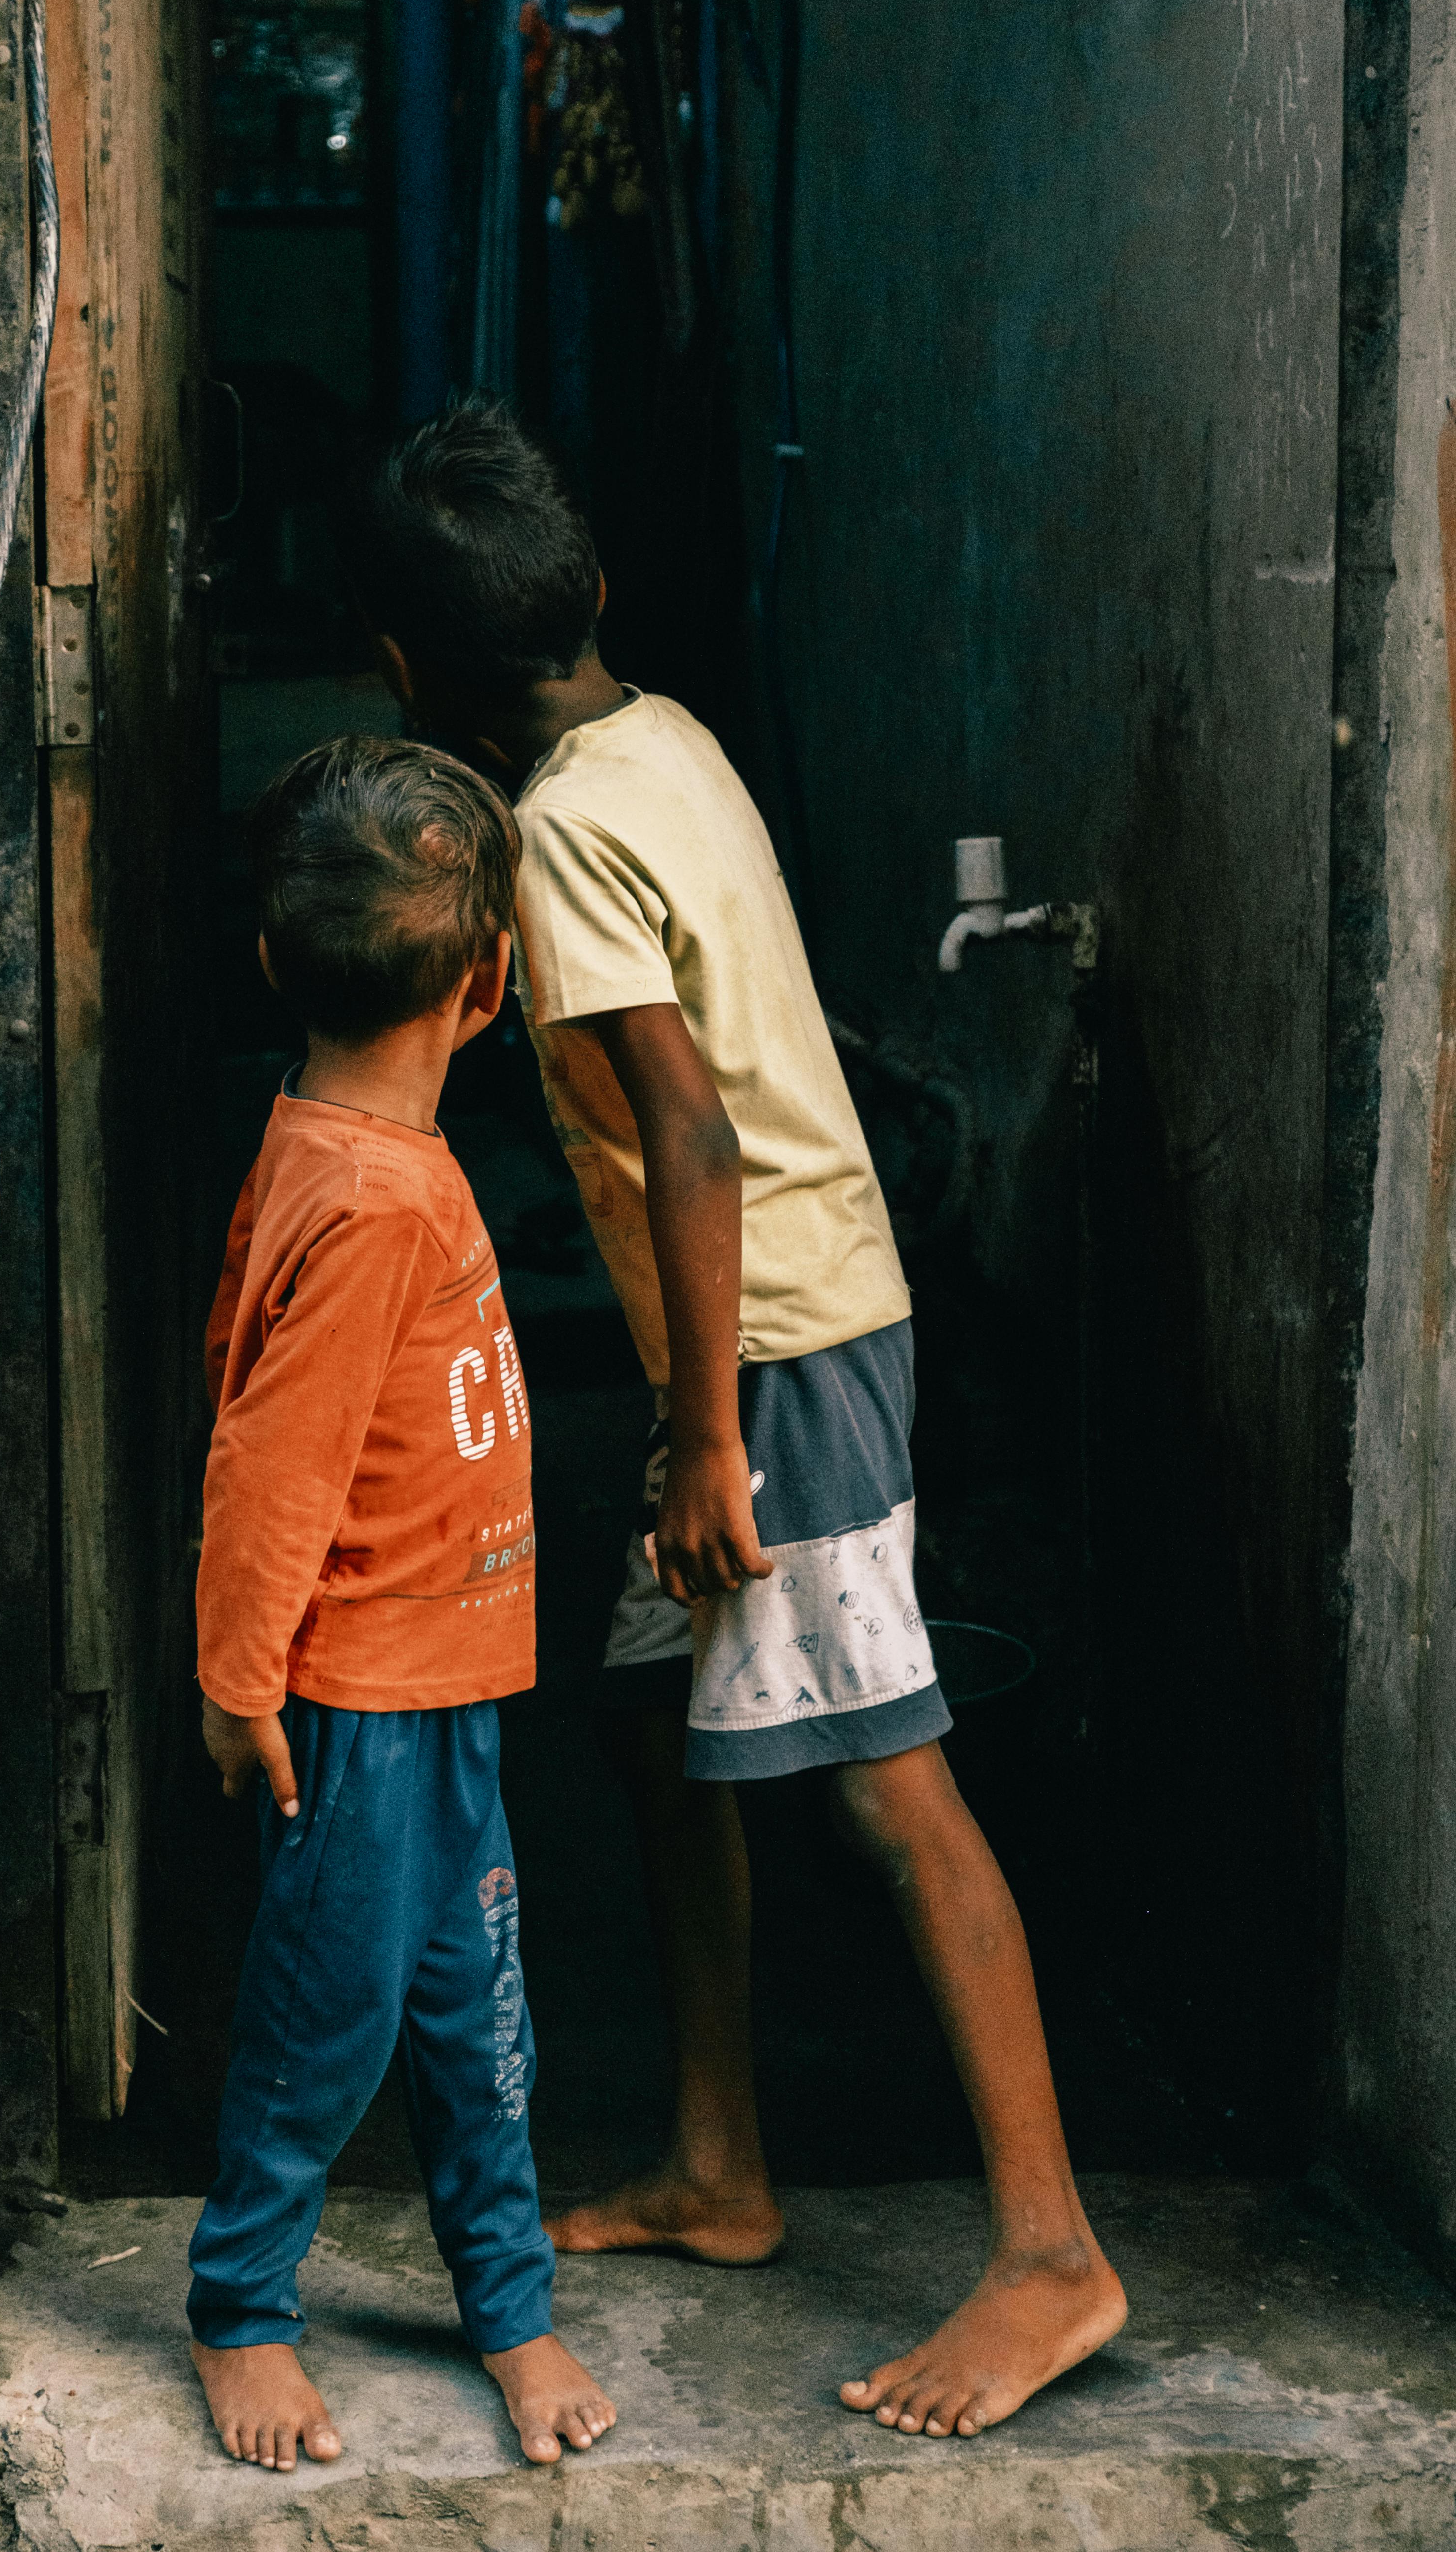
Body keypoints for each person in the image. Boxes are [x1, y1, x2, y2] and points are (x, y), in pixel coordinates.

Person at [333, 398, 1127, 2445]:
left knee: (886, 1779)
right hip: (763, 1334)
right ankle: (716, 2159)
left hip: (768, 1350)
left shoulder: (567, 829)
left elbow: (687, 1135)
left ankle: (1049, 2250)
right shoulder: (657, 733)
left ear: (409, 678)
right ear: (592, 601)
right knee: (643, 1718)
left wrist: (696, 1437)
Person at [190, 734, 617, 2473]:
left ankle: (505, 2304)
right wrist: (241, 1684)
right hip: (357, 1702)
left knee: (476, 2010)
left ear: (275, 965)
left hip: (445, 1687)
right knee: (333, 2015)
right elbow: (271, 1469)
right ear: (494, 984)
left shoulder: (360, 1154)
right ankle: (240, 2303)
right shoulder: (368, 1200)